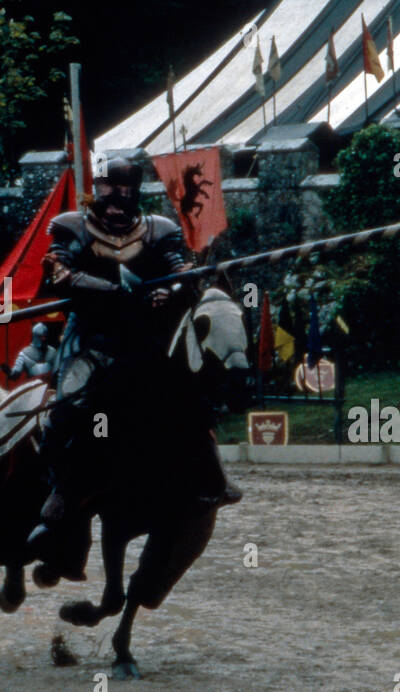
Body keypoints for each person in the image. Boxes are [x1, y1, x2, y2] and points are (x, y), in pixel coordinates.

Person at [27, 156, 240, 573]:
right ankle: (63, 492)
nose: (117, 203)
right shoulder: (71, 226)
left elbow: (183, 270)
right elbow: (59, 273)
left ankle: (210, 476)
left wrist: (171, 293)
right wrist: (111, 290)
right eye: (110, 192)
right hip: (90, 338)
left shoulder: (159, 229)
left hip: (144, 339)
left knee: (187, 394)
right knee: (71, 405)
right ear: (97, 191)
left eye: (126, 193)